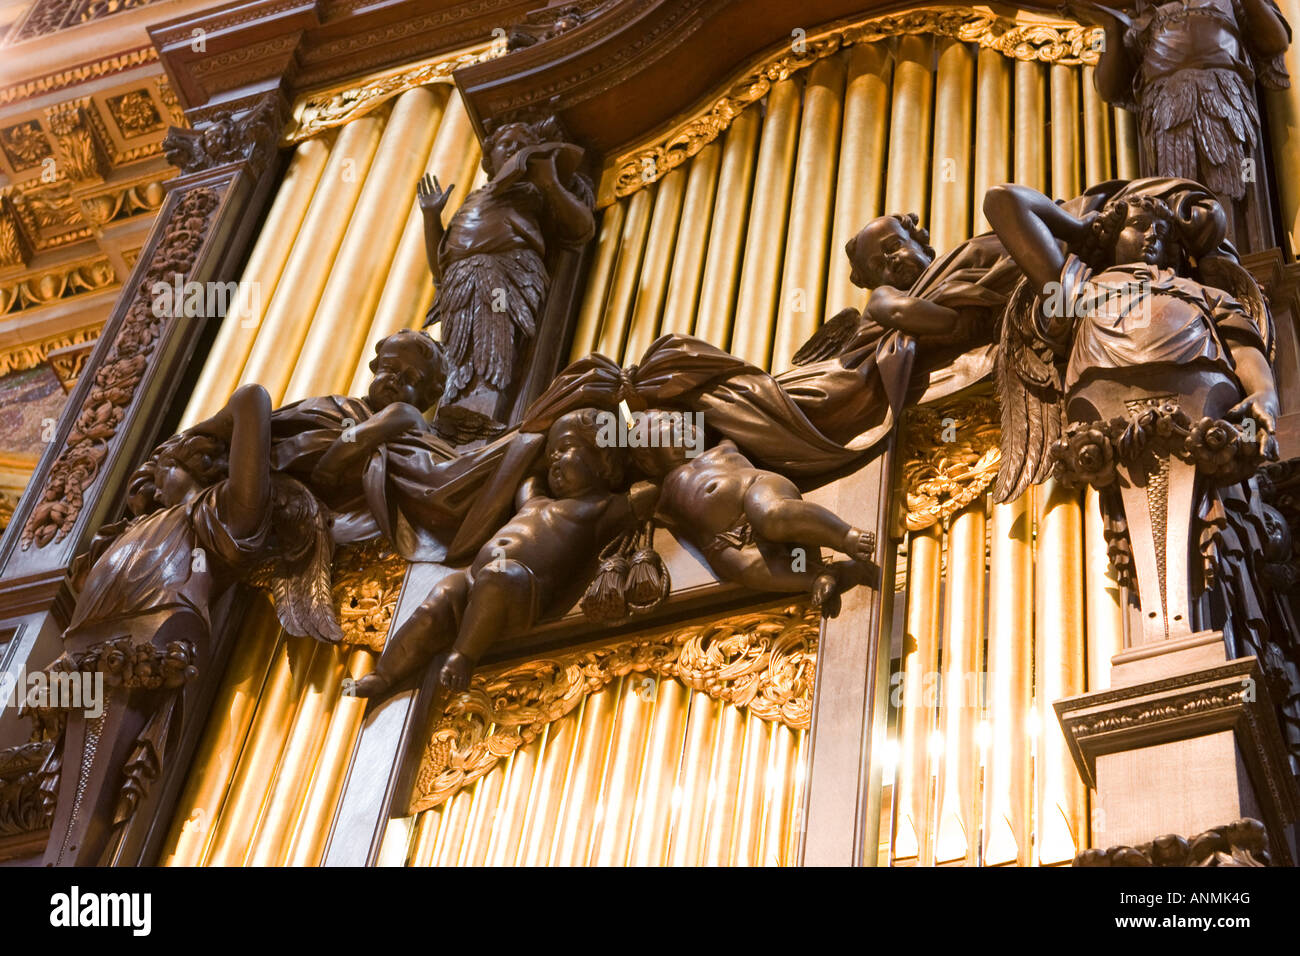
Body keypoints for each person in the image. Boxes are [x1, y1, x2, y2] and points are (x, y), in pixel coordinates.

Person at [41, 384, 276, 866]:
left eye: (159, 465)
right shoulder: (131, 532)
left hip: (145, 651)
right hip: (87, 654)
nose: (144, 477)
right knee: (69, 800)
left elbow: (252, 399)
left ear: (202, 466)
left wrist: (199, 434)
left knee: (93, 804)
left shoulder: (216, 514)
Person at [349, 408, 646, 698]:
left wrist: (630, 426)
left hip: (521, 589)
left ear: (603, 462)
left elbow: (649, 493)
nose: (554, 457)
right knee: (437, 599)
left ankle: (463, 655)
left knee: (497, 576)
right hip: (473, 577)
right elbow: (526, 467)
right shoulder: (536, 500)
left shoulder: (602, 507)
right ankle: (385, 674)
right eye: (552, 452)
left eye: (565, 448)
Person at [418, 117, 595, 437]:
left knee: (493, 337)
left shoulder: (532, 190)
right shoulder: (474, 199)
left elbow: (580, 228)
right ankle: (456, 413)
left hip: (502, 275)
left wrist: (550, 183)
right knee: (460, 351)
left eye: (521, 145)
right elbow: (440, 269)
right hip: (460, 280)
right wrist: (432, 218)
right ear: (491, 158)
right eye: (506, 145)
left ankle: (483, 413)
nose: (513, 150)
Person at [629, 411, 874, 611]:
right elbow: (625, 503)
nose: (680, 422)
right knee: (741, 566)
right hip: (723, 540)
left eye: (682, 418)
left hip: (754, 490)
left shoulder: (721, 448)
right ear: (647, 460)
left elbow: (734, 418)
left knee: (771, 515)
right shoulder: (660, 491)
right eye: (666, 422)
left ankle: (844, 536)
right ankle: (814, 577)